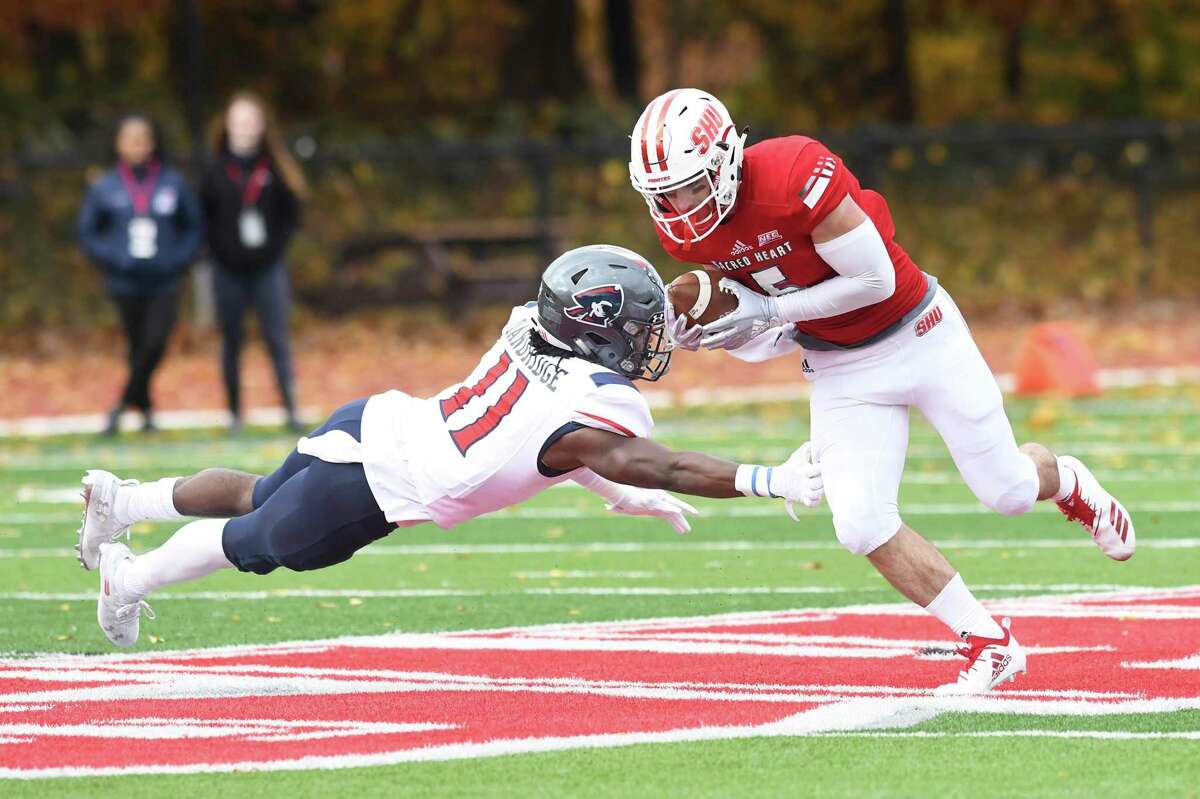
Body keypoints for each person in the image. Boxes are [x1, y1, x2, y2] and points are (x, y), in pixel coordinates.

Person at [627, 89, 1137, 694]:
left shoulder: (794, 172)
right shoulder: (687, 239)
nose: (679, 207)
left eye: (688, 187)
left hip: (920, 332)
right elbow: (777, 333)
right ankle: (989, 643)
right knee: (860, 524)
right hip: (841, 366)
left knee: (1008, 492)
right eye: (663, 196)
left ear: (726, 158)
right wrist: (722, 335)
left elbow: (875, 279)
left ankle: (1065, 478)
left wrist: (766, 307)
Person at [76, 245, 826, 648]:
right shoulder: (598, 402)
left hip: (375, 421)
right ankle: (127, 577)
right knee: (253, 539)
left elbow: (565, 447)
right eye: (639, 324)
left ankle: (123, 499)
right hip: (380, 487)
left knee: (257, 491)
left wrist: (617, 489)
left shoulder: (531, 322)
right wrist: (771, 478)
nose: (652, 339)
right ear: (596, 333)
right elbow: (640, 457)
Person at [77, 114, 203, 435]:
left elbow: (193, 226)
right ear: (118, 143)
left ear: (152, 142)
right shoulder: (106, 186)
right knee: (137, 346)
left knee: (155, 343)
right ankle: (145, 410)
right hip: (125, 281)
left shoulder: (172, 183)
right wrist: (113, 258)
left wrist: (177, 258)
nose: (137, 144)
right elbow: (87, 231)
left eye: (142, 137)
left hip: (164, 280)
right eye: (129, 137)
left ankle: (121, 406)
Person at [201, 91, 308, 432]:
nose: (245, 128)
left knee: (276, 337)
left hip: (267, 269)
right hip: (227, 271)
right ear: (227, 125)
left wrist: (273, 250)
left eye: (251, 121)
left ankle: (290, 408)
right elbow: (204, 218)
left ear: (262, 126)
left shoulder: (276, 170)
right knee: (231, 341)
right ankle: (234, 413)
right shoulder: (214, 171)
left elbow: (291, 217)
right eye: (239, 120)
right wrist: (220, 253)